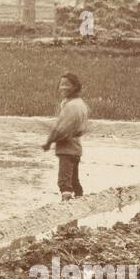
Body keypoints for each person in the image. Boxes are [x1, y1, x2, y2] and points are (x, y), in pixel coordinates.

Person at [42, 71, 89, 200]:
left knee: (64, 184)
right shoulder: (81, 104)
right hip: (76, 149)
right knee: (75, 182)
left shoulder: (70, 106)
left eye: (67, 84)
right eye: (61, 84)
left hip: (67, 150)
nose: (63, 87)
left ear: (75, 87)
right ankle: (78, 205)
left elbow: (61, 130)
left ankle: (66, 209)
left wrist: (49, 142)